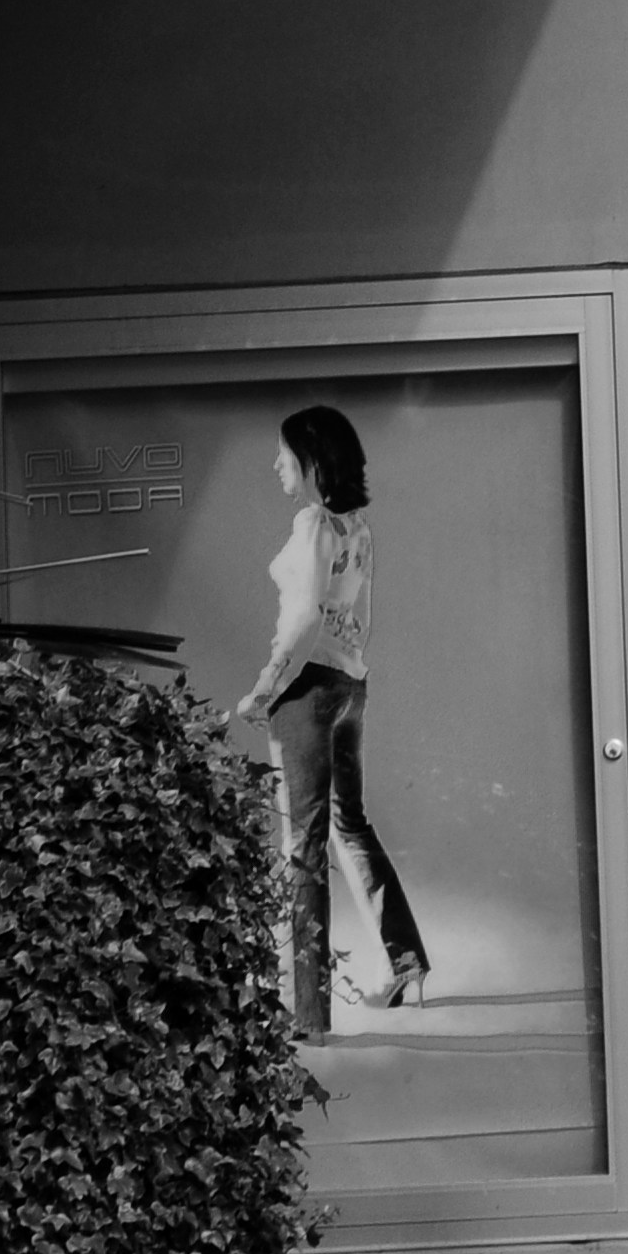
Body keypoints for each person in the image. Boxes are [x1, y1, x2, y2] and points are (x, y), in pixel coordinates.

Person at [236, 405, 431, 1039]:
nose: (276, 467)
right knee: (351, 825)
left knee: (304, 848)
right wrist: (351, 667)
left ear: (313, 463)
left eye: (285, 457)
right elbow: (359, 613)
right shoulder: (358, 528)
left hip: (307, 689)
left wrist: (266, 687)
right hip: (350, 683)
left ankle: (309, 1015)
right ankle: (408, 961)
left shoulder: (314, 524)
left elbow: (304, 618)